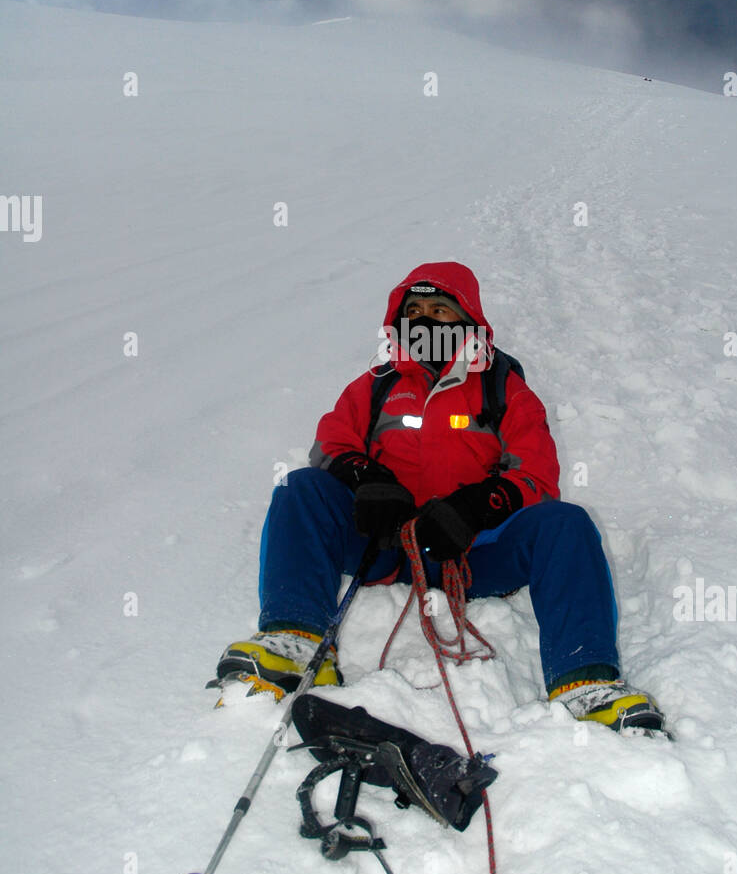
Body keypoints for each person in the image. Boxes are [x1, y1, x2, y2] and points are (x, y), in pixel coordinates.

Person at [217, 262, 664, 731]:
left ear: (467, 319)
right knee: (299, 488)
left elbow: (537, 476)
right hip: (385, 547)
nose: (426, 319)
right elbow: (330, 444)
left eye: (440, 310)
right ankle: (295, 640)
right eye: (415, 310)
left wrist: (476, 507)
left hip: (470, 555)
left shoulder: (503, 389)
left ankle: (585, 681)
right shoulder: (377, 384)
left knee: (566, 523)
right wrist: (365, 477)